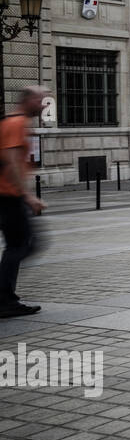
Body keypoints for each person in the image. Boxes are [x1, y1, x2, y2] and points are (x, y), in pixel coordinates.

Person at [0, 87, 48, 317]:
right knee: (23, 245)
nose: (44, 104)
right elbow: (10, 162)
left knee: (20, 246)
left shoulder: (16, 123)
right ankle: (4, 298)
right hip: (9, 196)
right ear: (28, 100)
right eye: (41, 99)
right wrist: (27, 195)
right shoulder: (16, 124)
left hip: (10, 195)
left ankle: (6, 297)